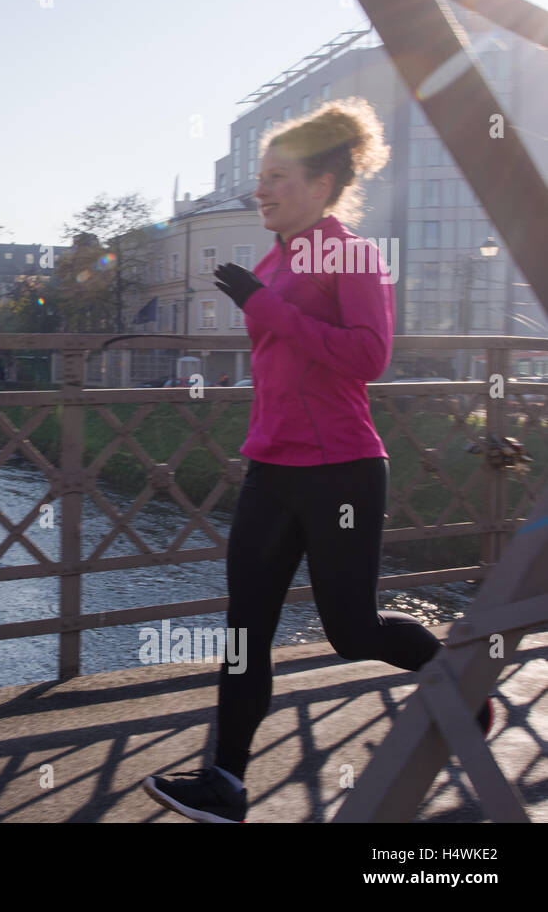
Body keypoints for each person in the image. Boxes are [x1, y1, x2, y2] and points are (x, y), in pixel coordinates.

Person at [141, 98, 494, 823]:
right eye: (259, 178)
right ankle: (226, 782)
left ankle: (461, 687)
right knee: (246, 630)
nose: (261, 189)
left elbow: (369, 356)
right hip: (271, 466)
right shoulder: (272, 257)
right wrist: (261, 303)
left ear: (325, 181)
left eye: (277, 177)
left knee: (352, 630)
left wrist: (266, 307)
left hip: (340, 468)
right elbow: (283, 361)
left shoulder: (352, 254)